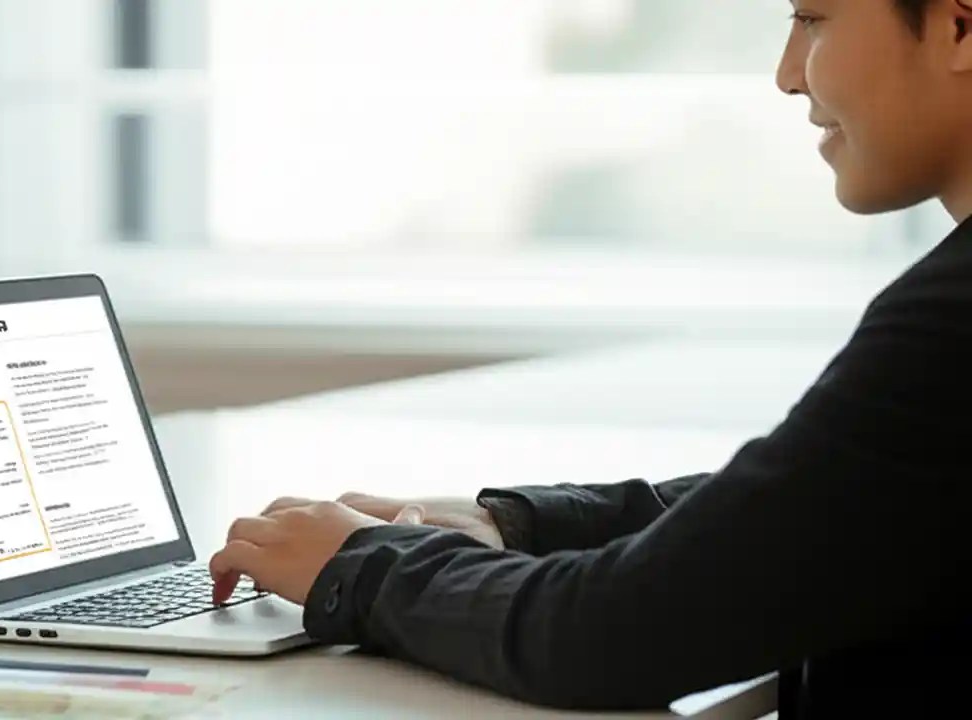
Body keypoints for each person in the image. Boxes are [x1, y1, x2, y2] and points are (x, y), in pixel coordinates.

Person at [209, 1, 972, 715]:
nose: (786, 71)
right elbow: (819, 510)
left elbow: (615, 632)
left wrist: (362, 566)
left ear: (958, 28)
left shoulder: (947, 323)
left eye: (814, 18)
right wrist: (507, 526)